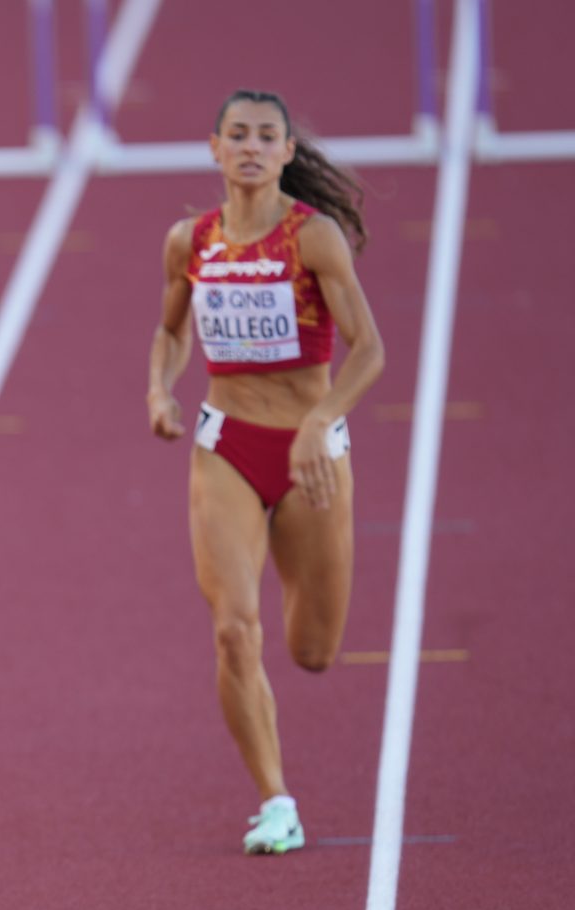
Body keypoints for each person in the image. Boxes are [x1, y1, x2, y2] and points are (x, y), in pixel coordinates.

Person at [147, 91, 385, 854]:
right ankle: (276, 800)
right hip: (227, 448)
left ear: (286, 152)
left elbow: (370, 350)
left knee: (312, 651)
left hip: (312, 455)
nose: (251, 146)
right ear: (214, 147)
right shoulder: (190, 241)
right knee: (232, 629)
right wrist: (160, 387)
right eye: (238, 134)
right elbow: (170, 330)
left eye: (266, 136)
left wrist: (320, 420)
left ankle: (291, 562)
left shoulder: (313, 238)